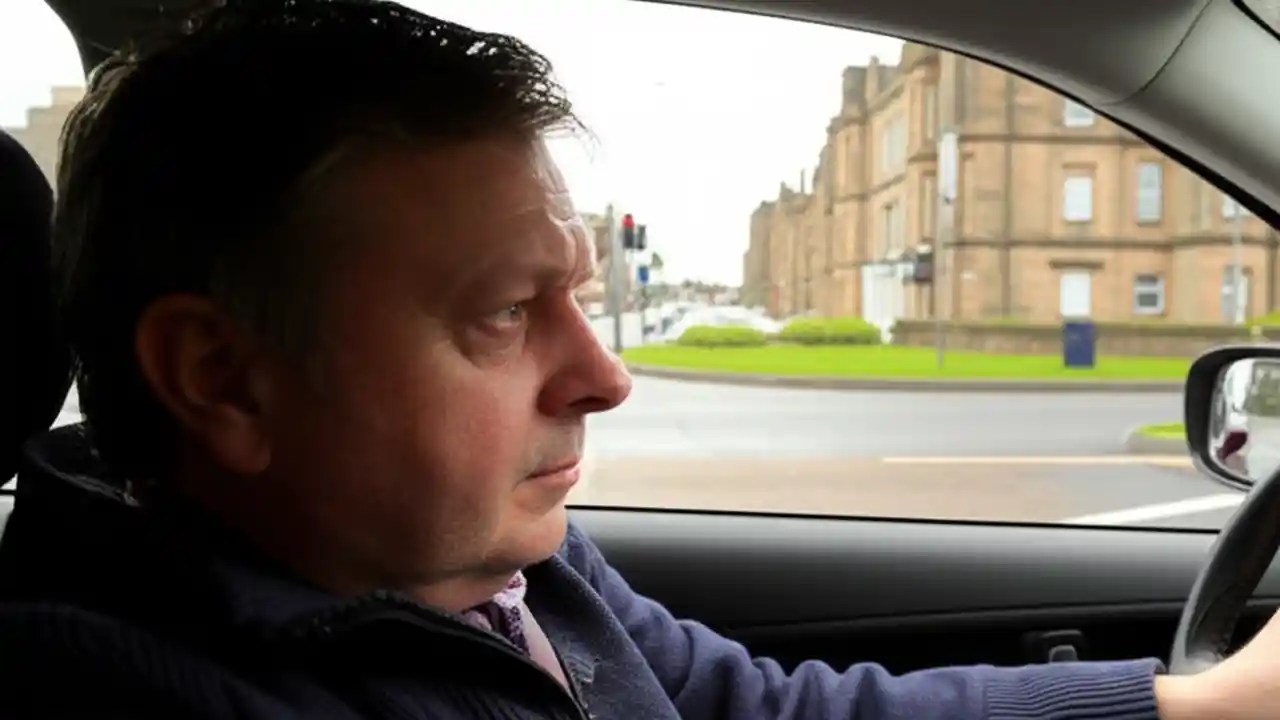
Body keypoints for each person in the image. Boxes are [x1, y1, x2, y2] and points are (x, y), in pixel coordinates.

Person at [1, 1, 1279, 717]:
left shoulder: (495, 565)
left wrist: (1196, 705)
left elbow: (756, 710)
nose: (604, 379)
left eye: (577, 293)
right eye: (506, 312)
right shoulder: (115, 690)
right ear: (223, 379)